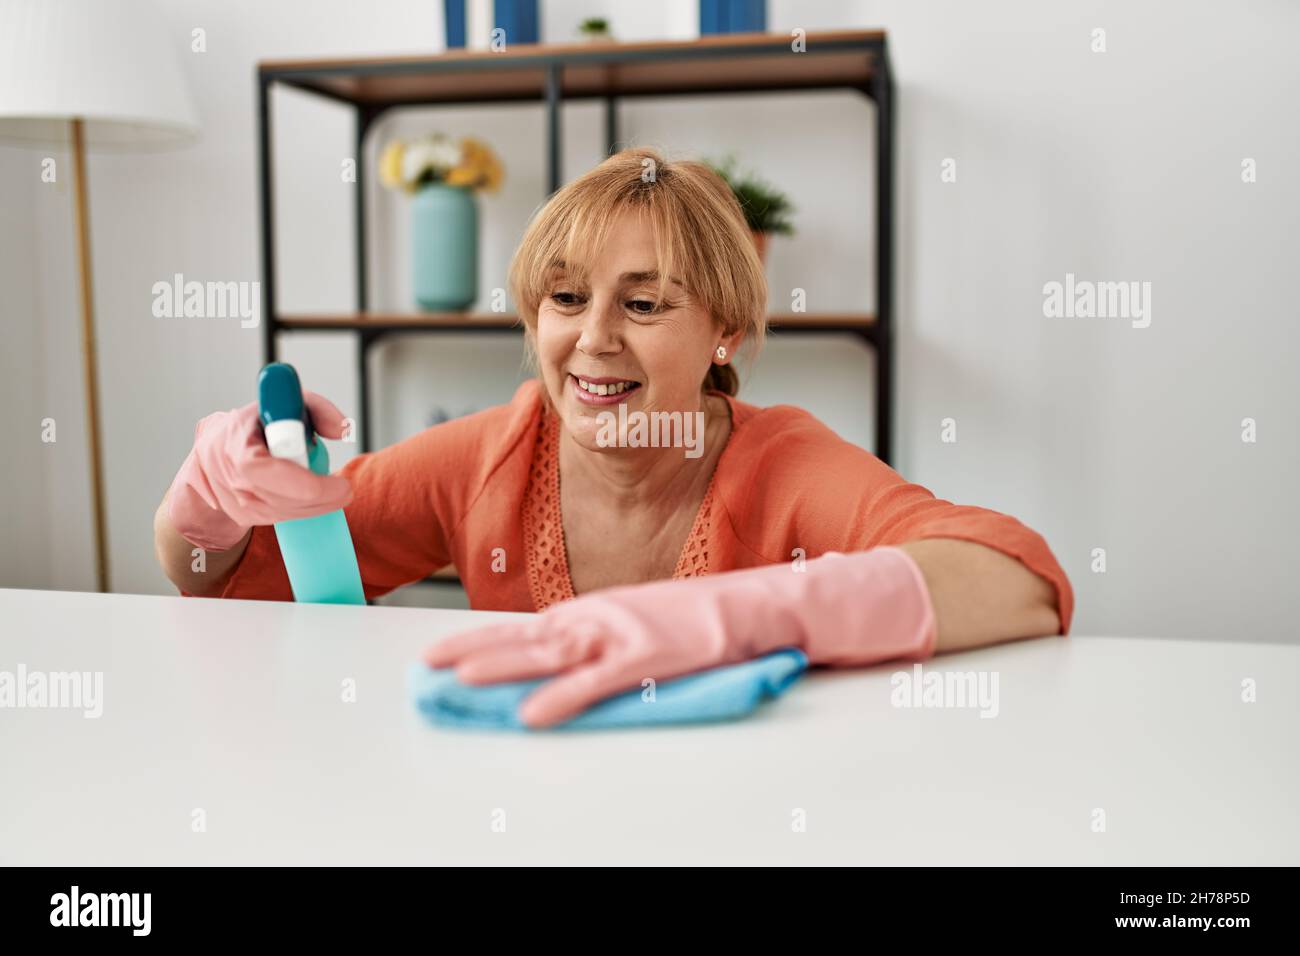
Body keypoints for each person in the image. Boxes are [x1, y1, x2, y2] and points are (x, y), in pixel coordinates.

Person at [155, 147, 1072, 729]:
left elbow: (1019, 578)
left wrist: (745, 615)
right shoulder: (488, 457)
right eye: (564, 298)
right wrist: (208, 507)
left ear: (725, 333)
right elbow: (236, 587)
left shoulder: (783, 464)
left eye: (643, 304)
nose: (593, 337)